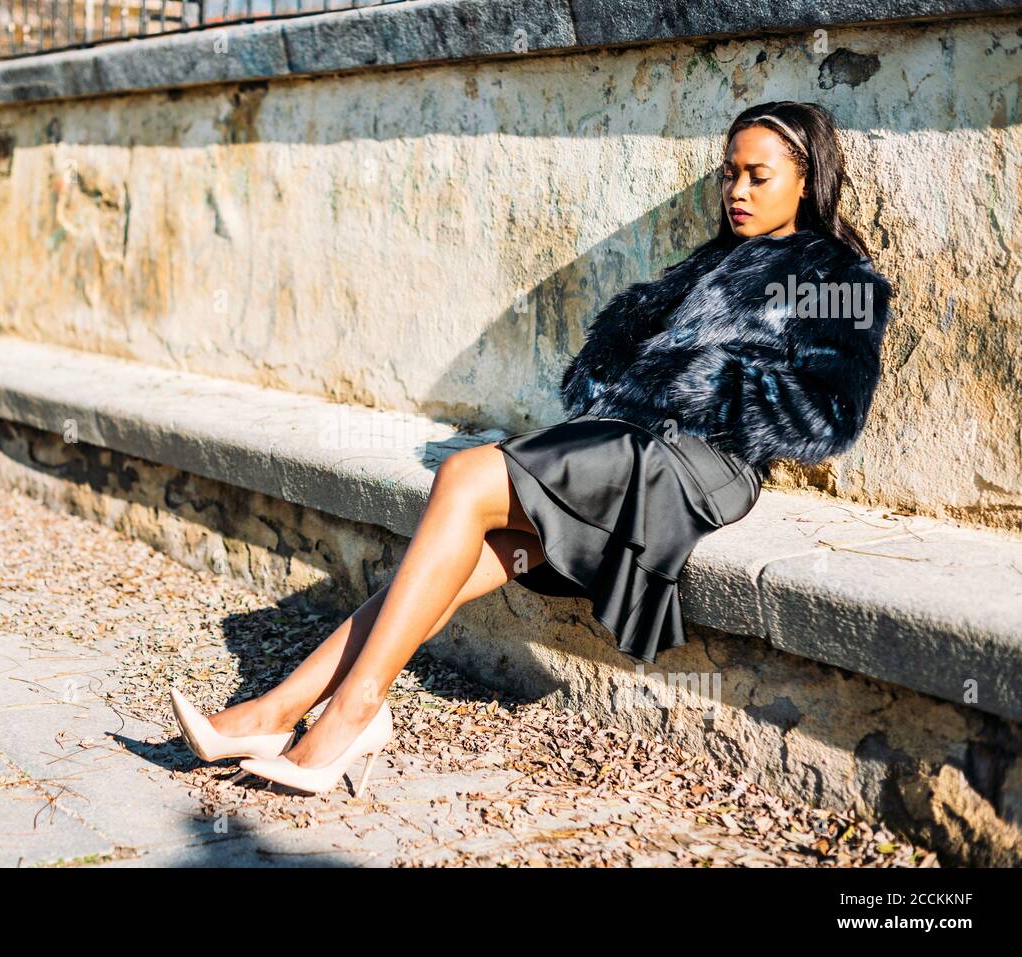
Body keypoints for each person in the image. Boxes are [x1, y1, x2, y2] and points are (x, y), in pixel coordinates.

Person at [169, 101, 895, 795]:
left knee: (464, 475)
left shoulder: (837, 277)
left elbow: (830, 417)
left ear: (806, 177)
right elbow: (619, 365)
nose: (737, 190)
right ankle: (275, 711)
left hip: (698, 466)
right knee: (462, 552)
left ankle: (355, 711)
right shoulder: (710, 262)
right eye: (729, 172)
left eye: (757, 176)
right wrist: (621, 365)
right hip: (626, 450)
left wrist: (703, 385)